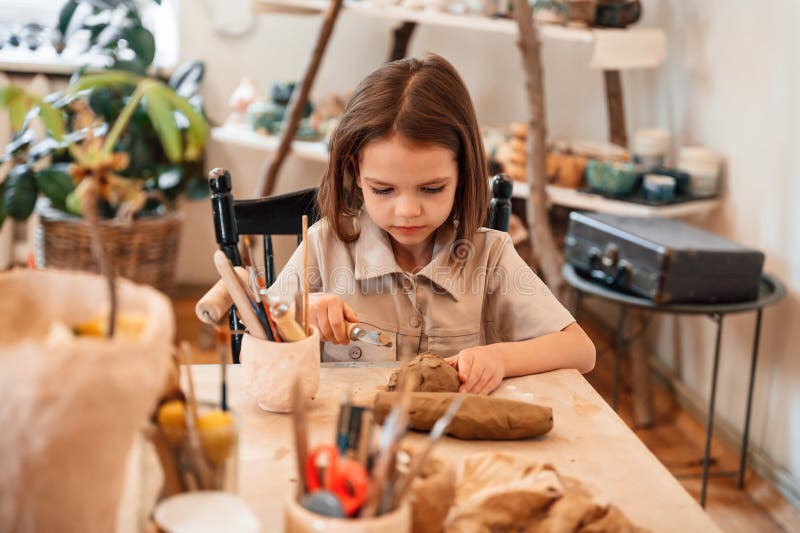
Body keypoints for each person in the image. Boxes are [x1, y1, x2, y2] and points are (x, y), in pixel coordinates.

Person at [270, 54, 595, 395]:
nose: (408, 210)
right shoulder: (325, 246)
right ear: (354, 173)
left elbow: (581, 350)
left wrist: (500, 357)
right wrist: (296, 313)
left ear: (462, 175)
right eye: (383, 189)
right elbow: (257, 320)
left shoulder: (489, 256)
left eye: (432, 188)